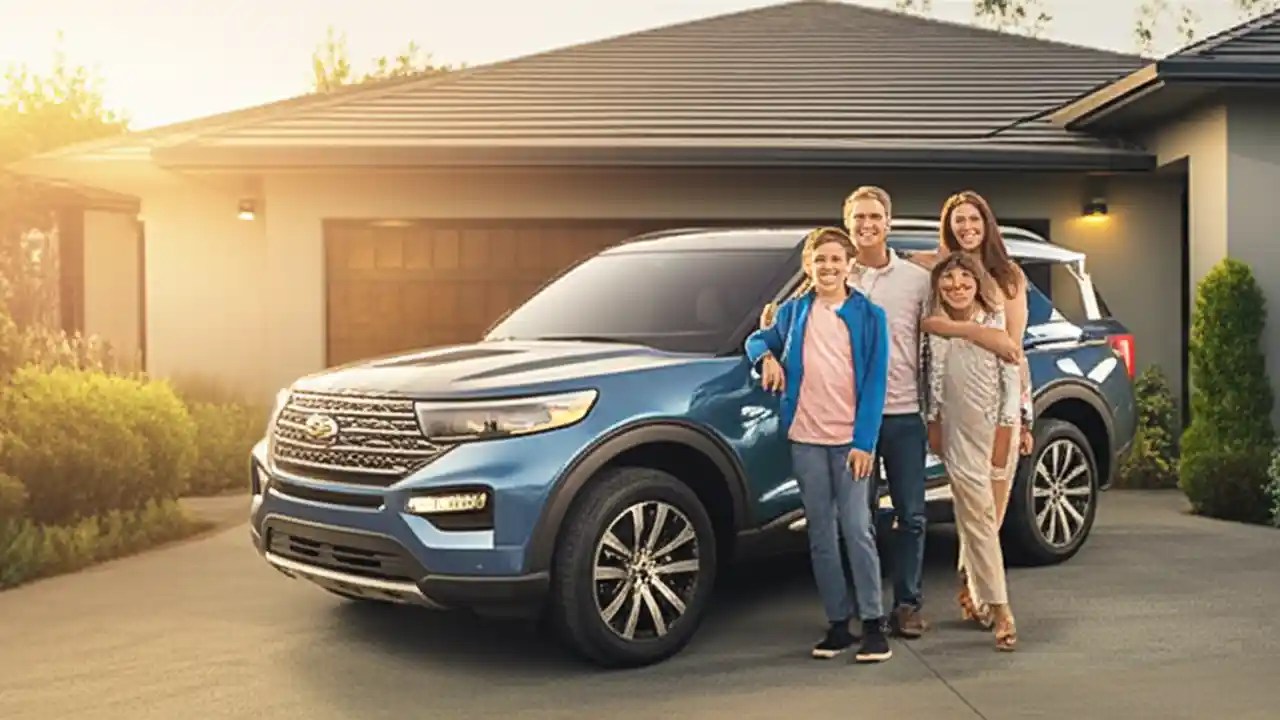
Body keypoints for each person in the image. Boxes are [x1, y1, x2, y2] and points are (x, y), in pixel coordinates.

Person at [745, 226, 893, 663]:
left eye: (835, 259)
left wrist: (865, 442)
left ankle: (872, 623)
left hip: (851, 443)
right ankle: (837, 623)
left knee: (857, 530)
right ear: (808, 266)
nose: (827, 267)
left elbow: (876, 382)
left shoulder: (869, 316)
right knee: (821, 534)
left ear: (849, 265)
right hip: (805, 438)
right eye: (819, 260)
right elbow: (757, 339)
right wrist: (767, 357)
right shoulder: (793, 313)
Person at [911, 190, 1034, 626]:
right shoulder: (939, 273)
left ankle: (974, 585)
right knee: (973, 509)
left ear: (987, 225)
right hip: (959, 412)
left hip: (1001, 406)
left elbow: (1012, 350)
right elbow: (872, 268)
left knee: (991, 513)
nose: (966, 228)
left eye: (974, 220)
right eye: (957, 221)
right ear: (948, 228)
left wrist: (1021, 418)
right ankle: (982, 597)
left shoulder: (1008, 276)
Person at [924, 251, 1019, 652]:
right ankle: (1002, 609)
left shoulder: (994, 325)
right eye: (948, 279)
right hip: (956, 436)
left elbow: (1010, 380)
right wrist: (933, 424)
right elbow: (933, 385)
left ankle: (975, 593)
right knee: (979, 518)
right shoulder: (932, 330)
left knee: (977, 521)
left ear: (977, 283)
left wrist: (1007, 432)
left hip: (996, 429)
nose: (956, 285)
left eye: (965, 278)